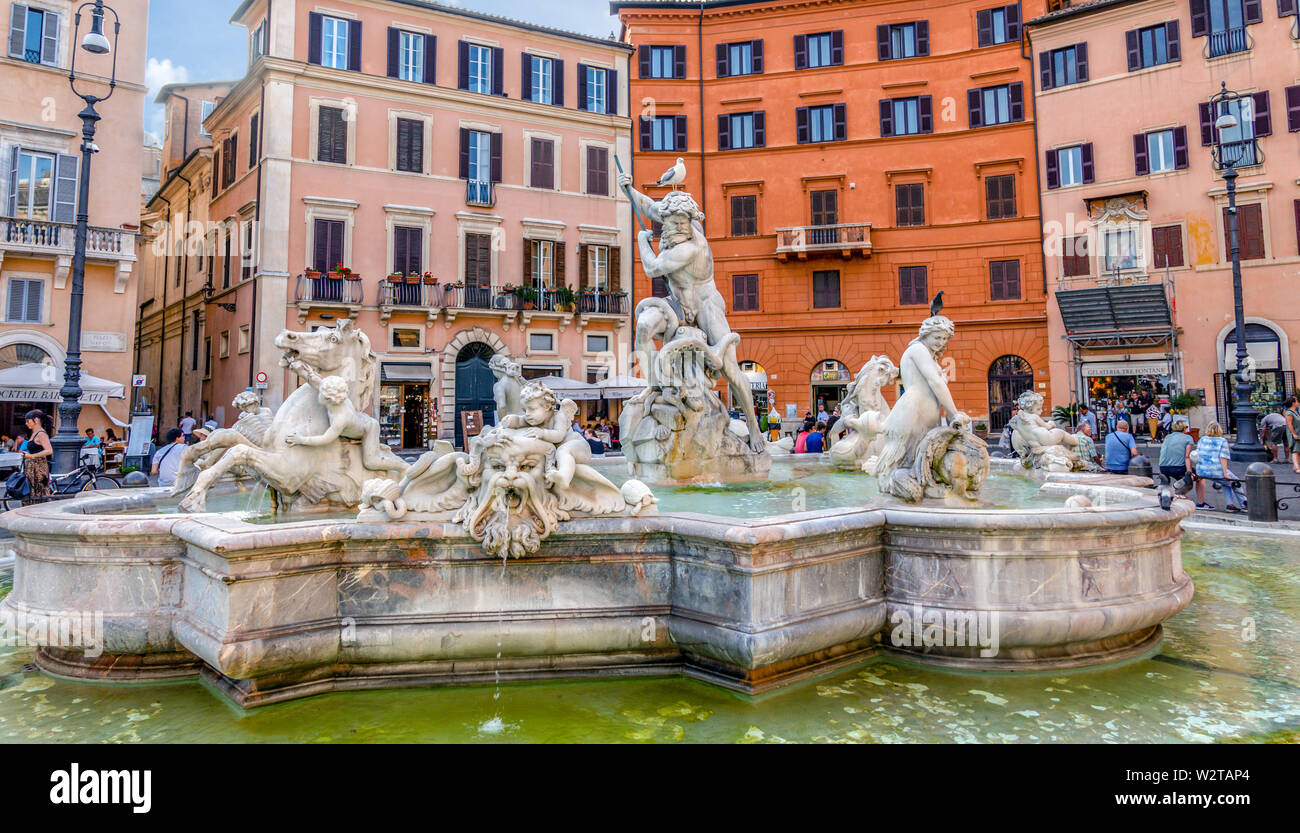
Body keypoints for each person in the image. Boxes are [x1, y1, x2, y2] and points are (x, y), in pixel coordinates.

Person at [1194, 422, 1244, 512]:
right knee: (1236, 482)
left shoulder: (1202, 439)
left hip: (1202, 471)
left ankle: (1230, 505)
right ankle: (1245, 505)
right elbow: (1223, 457)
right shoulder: (1222, 441)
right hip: (1216, 470)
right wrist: (1225, 474)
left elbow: (1197, 454)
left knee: (1226, 484)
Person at [19, 410, 53, 504]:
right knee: (31, 494)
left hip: (38, 469)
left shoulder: (41, 434)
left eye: (28, 421)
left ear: (36, 420)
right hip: (32, 468)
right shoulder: (35, 433)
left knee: (39, 494)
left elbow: (49, 450)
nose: (26, 423)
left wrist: (31, 455)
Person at [1284, 395, 1300, 474]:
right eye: (1297, 401)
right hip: (1294, 434)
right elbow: (1289, 424)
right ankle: (1297, 467)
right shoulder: (1289, 413)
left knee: (1298, 451)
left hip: (1298, 433)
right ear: (1293, 403)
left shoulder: (1296, 412)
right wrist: (1294, 434)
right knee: (1295, 451)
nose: (1298, 403)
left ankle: (1295, 466)